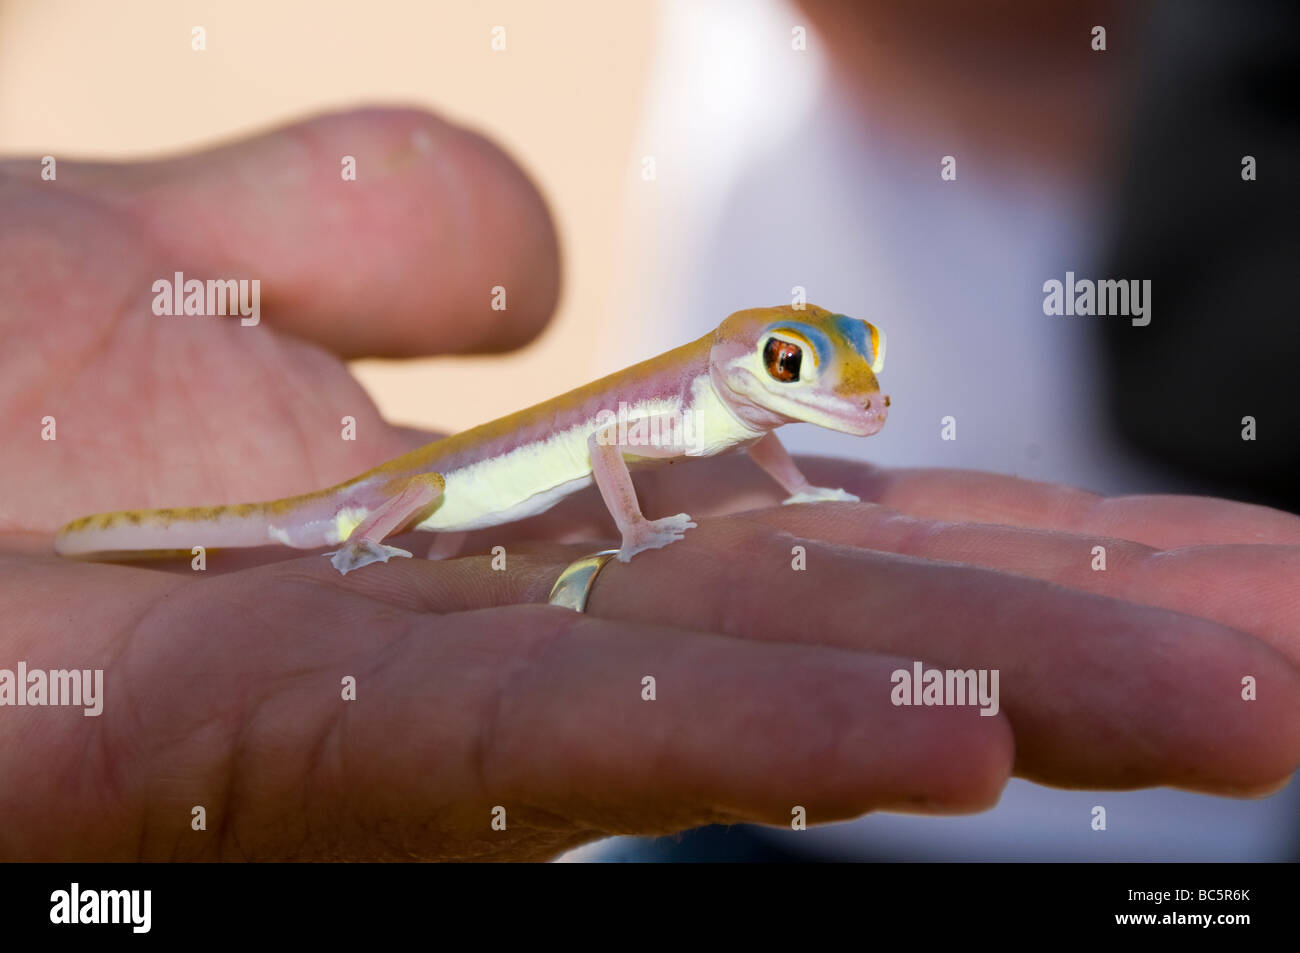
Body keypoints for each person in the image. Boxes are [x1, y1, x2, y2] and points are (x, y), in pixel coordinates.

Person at [1, 107, 1297, 861]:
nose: (829, 388)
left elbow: (751, 442)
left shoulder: (727, 400)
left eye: (843, 367)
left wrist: (809, 486)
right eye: (796, 366)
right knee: (318, 529)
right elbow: (616, 459)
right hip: (403, 499)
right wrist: (614, 540)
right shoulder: (666, 408)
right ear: (743, 359)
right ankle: (261, 542)